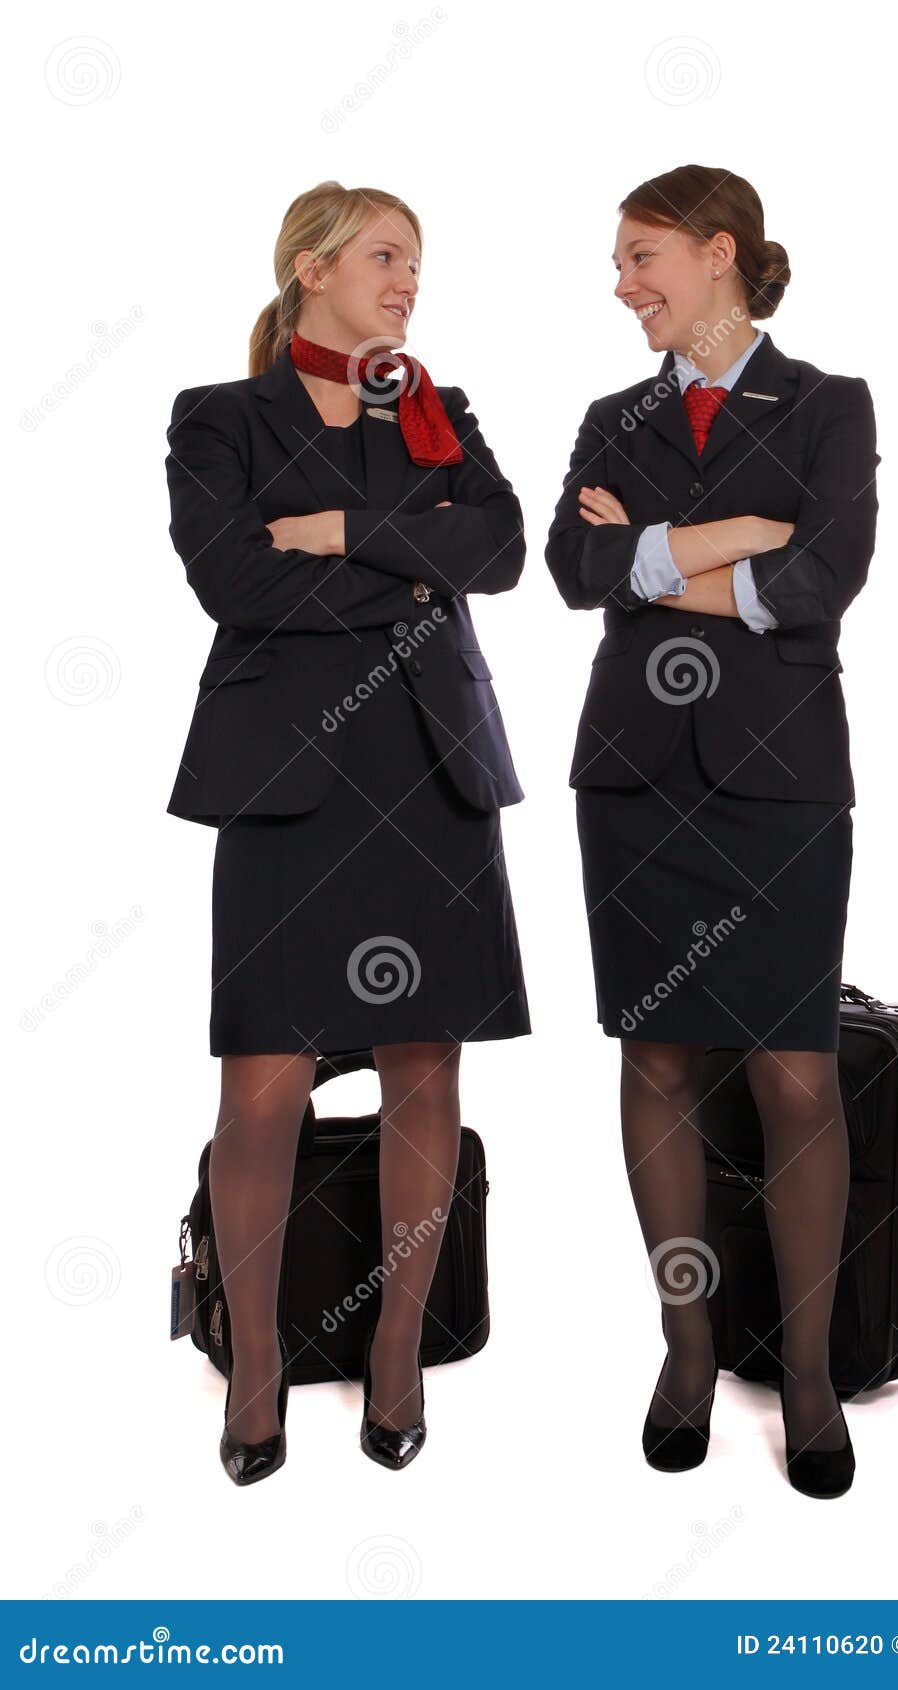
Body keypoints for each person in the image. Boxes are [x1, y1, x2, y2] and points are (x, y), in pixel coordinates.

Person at [165, 180, 529, 1484]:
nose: (407, 281)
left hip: (428, 767)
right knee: (262, 1084)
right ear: (312, 266)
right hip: (287, 779)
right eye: (385, 254)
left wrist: (341, 531)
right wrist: (405, 563)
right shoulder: (220, 420)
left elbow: (498, 549)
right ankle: (255, 1362)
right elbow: (233, 579)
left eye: (416, 263)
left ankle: (395, 1348)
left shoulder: (433, 409)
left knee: (423, 1062)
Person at [545, 164, 879, 1498]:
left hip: (779, 778)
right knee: (663, 1056)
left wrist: (659, 558)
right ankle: (689, 1355)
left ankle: (805, 1373)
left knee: (795, 1069)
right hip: (634, 779)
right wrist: (735, 542)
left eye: (642, 258)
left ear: (718, 252)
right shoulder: (610, 415)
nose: (621, 284)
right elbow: (575, 572)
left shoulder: (829, 407)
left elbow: (827, 572)